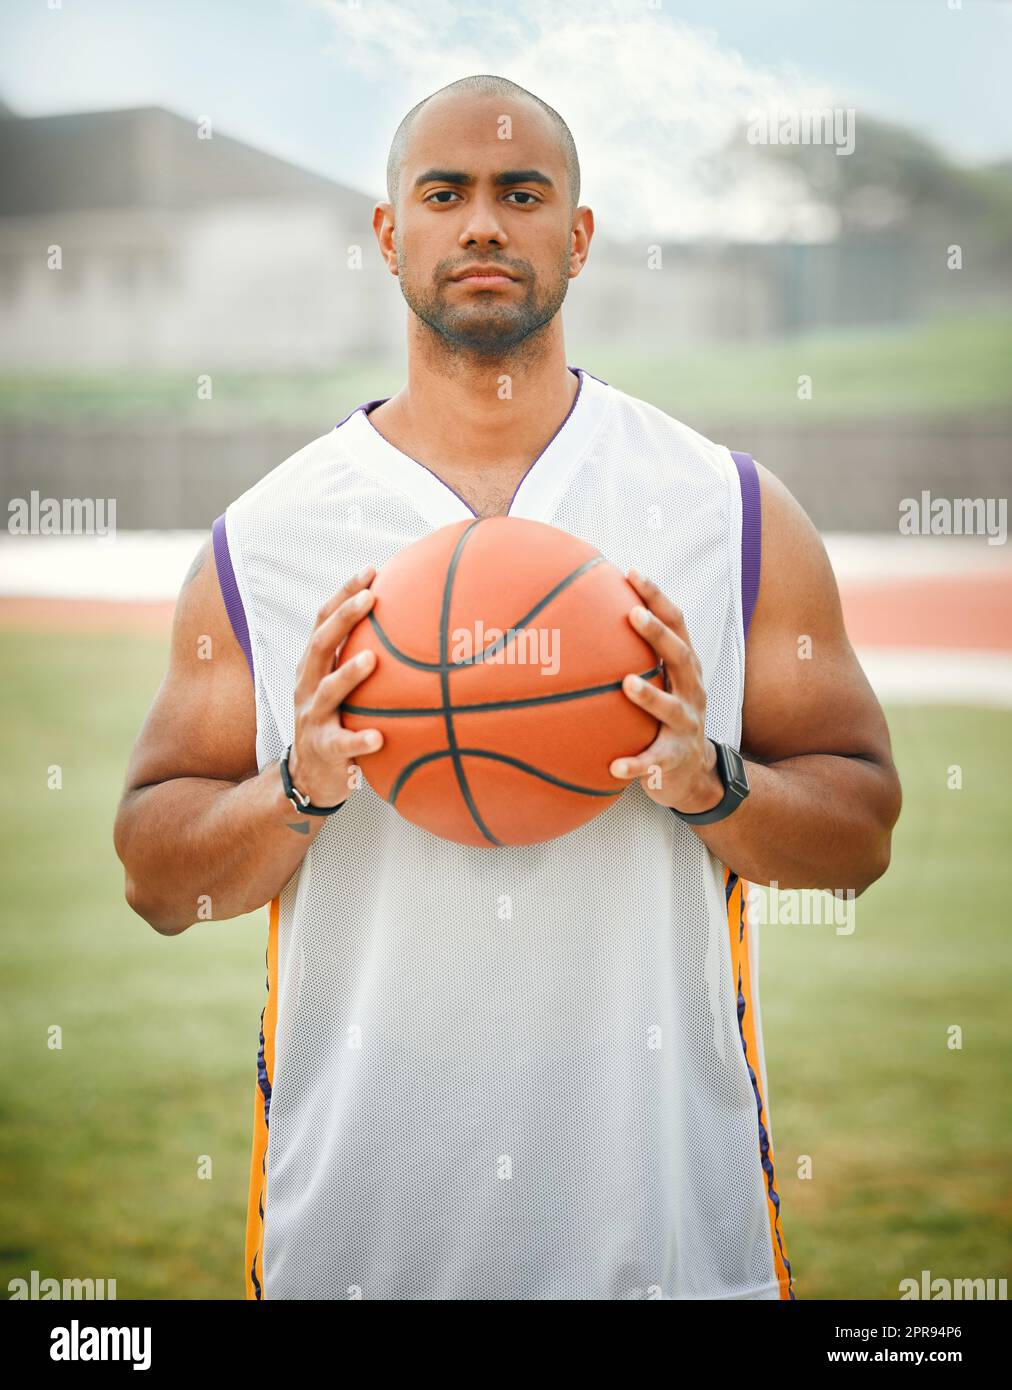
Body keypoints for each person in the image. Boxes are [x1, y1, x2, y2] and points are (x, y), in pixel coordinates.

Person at [113, 74, 902, 1301]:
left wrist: (709, 778)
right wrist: (296, 789)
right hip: (360, 1248)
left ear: (577, 238)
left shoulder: (729, 510)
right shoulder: (263, 541)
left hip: (666, 1243)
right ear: (390, 236)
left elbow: (857, 839)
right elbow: (157, 880)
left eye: (521, 193)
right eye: (444, 193)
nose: (482, 223)